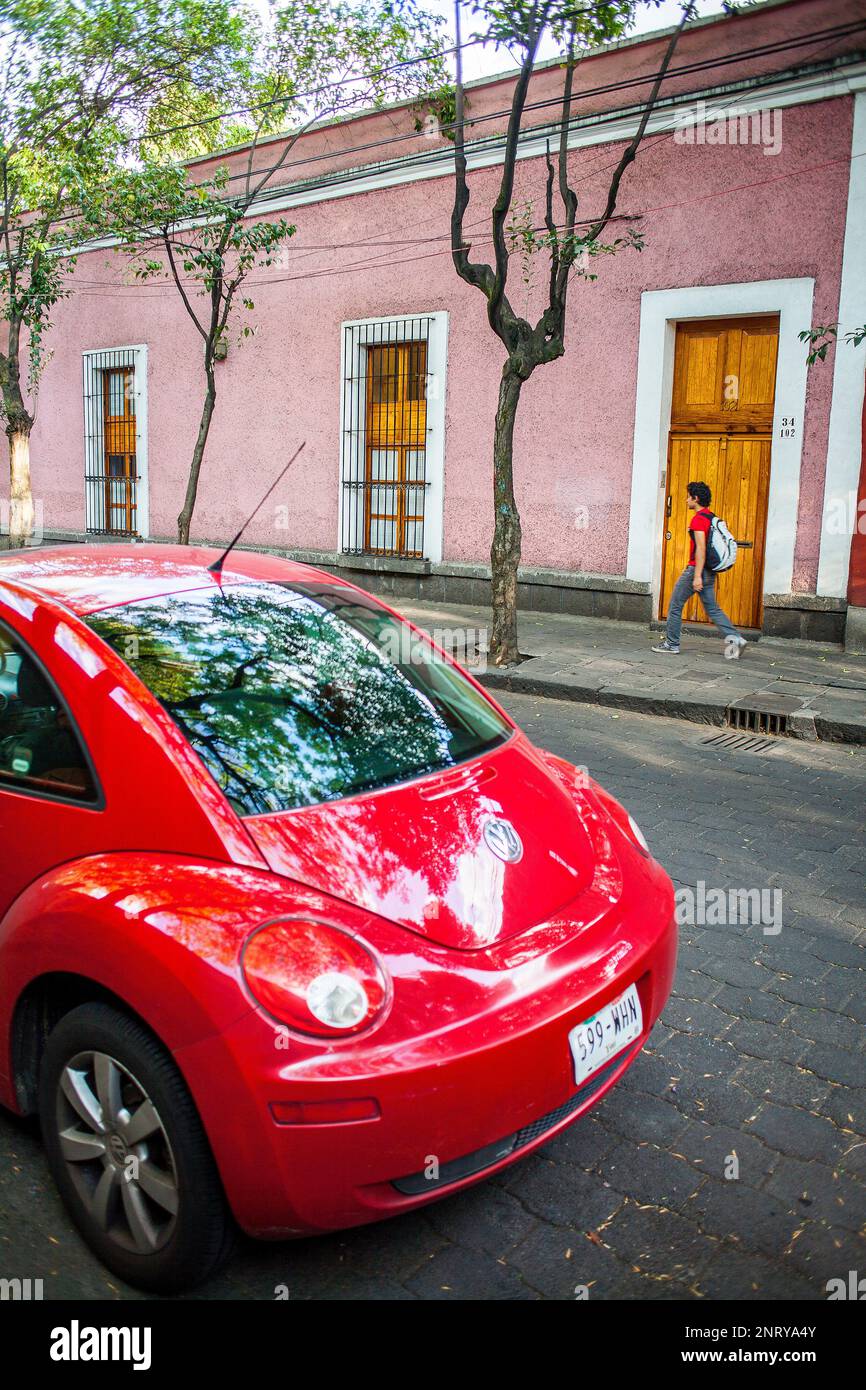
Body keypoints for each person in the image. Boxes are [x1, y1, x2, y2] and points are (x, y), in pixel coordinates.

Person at [652, 481, 747, 657]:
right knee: (713, 609)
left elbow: (701, 549)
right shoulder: (711, 517)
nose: (686, 500)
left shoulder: (698, 520)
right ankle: (736, 639)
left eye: (689, 497)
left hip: (697, 570)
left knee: (674, 606)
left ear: (695, 498)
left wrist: (696, 576)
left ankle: (672, 644)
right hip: (710, 571)